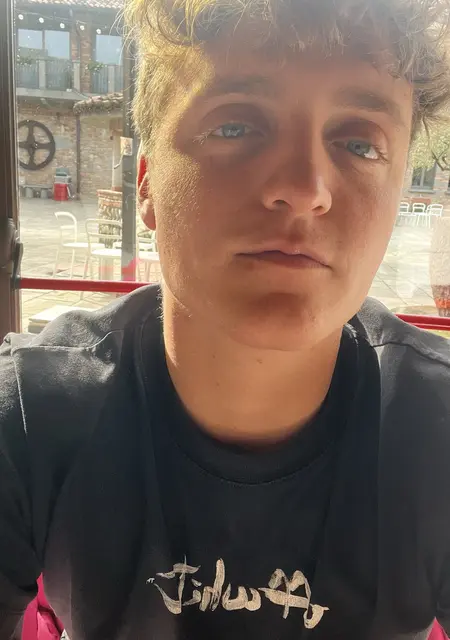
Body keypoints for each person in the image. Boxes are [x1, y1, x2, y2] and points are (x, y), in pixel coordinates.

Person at [1, 0, 450, 638]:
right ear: (146, 183)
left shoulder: (437, 431)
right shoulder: (29, 418)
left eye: (359, 143)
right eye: (236, 126)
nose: (305, 187)